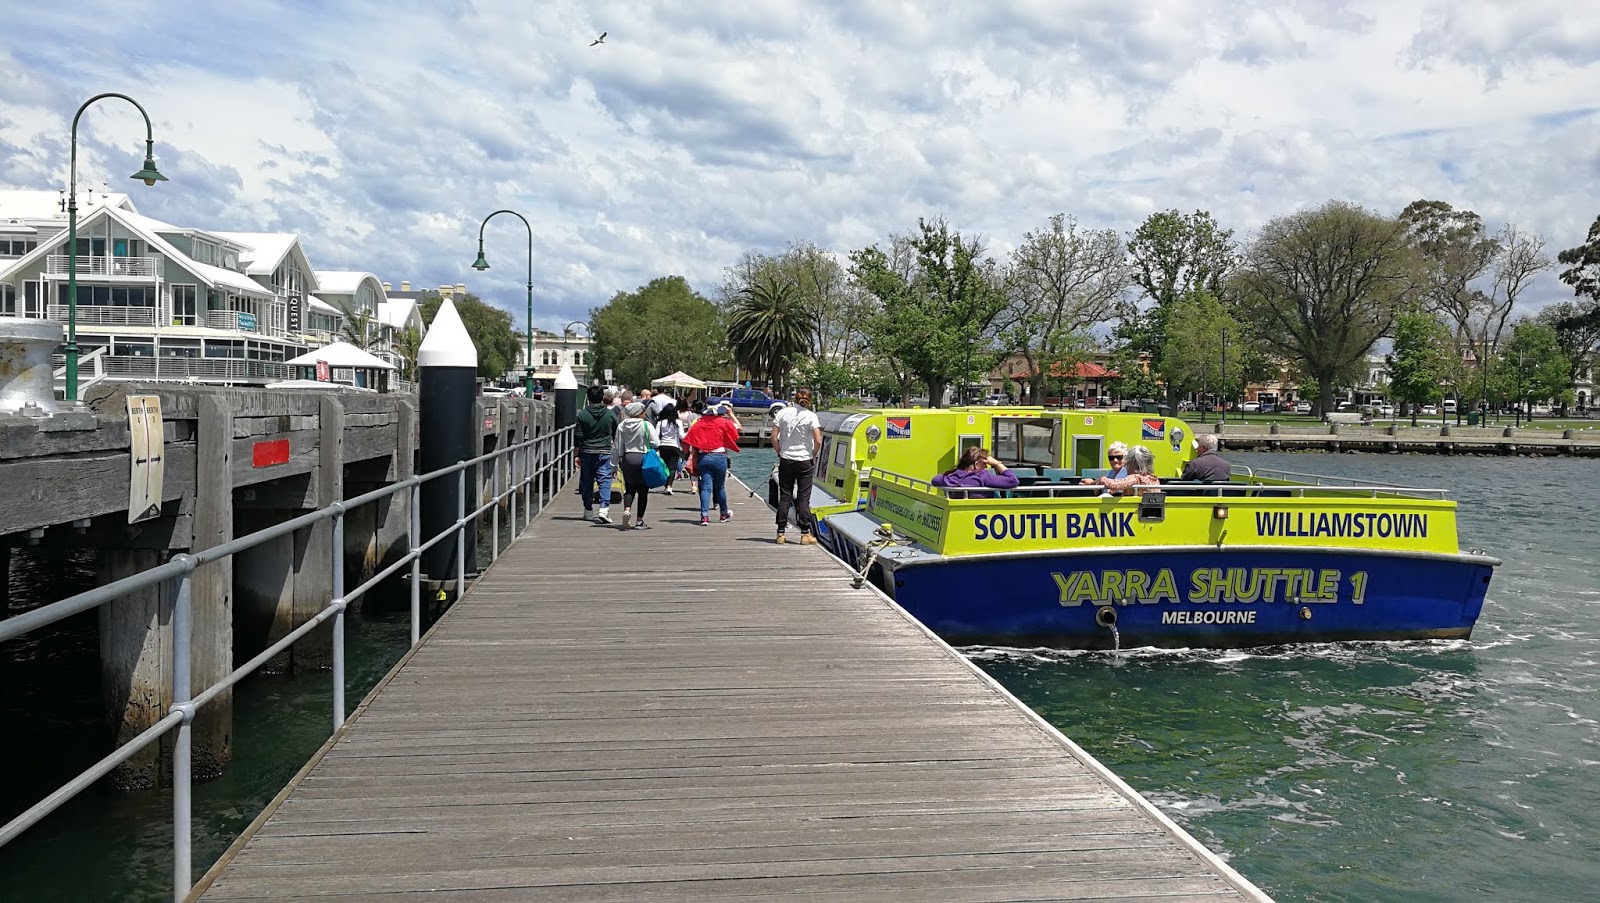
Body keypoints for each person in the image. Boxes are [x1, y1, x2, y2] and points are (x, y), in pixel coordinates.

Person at [771, 389, 822, 544]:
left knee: (785, 496)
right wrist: (813, 454)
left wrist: (779, 451)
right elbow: (818, 440)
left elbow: (773, 436)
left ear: (794, 398)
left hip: (786, 459)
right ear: (809, 400)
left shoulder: (782, 413)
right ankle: (805, 533)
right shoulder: (811, 416)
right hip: (804, 460)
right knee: (803, 497)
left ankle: (780, 533)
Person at [683, 402, 741, 525]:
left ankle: (704, 516)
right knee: (719, 487)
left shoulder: (699, 423)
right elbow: (738, 428)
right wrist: (730, 414)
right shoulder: (723, 422)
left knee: (706, 488)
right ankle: (723, 513)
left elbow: (688, 440)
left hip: (704, 457)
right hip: (719, 456)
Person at [575, 386, 620, 523]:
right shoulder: (610, 414)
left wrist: (576, 454)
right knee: (605, 480)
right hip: (605, 451)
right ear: (602, 398)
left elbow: (578, 436)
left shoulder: (582, 415)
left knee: (586, 481)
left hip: (586, 451)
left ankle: (588, 510)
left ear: (588, 398)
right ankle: (604, 508)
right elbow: (615, 434)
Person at [611, 401, 657, 530]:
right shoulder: (646, 425)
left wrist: (613, 465)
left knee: (629, 488)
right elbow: (656, 442)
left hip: (627, 458)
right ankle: (639, 520)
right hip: (643, 458)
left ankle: (627, 510)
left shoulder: (622, 426)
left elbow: (617, 447)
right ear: (639, 413)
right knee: (643, 490)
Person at [932, 446, 1019, 499]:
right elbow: (1013, 481)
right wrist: (997, 464)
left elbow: (935, 479)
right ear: (976, 465)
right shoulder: (982, 477)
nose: (986, 467)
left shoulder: (951, 477)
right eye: (985, 464)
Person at [1097, 445, 1162, 494]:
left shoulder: (1135, 478)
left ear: (1132, 463)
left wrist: (1101, 479)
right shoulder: (1154, 479)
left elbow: (1115, 484)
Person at [654, 402, 683, 495]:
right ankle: (669, 486)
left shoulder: (660, 422)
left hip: (663, 446)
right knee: (672, 467)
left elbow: (656, 435)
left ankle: (666, 485)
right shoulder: (678, 422)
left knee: (665, 466)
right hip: (674, 446)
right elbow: (681, 436)